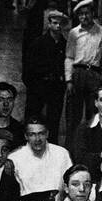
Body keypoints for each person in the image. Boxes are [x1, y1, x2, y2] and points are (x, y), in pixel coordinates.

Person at [23, 9, 68, 141]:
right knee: (33, 117)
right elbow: (29, 67)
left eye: (60, 24)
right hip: (39, 86)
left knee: (54, 120)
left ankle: (51, 145)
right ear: (49, 24)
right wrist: (32, 86)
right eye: (54, 23)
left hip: (56, 87)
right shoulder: (38, 43)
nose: (58, 26)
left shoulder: (64, 44)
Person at [64, 0, 102, 129]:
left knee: (93, 112)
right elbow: (69, 57)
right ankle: (71, 146)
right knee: (73, 114)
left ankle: (91, 145)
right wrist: (69, 80)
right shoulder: (74, 33)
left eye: (87, 13)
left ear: (92, 13)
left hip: (94, 74)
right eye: (81, 14)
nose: (84, 17)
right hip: (78, 73)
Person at [9, 118, 71, 198]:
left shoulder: (61, 154)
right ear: (26, 136)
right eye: (32, 134)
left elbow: (71, 185)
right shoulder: (14, 159)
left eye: (41, 133)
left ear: (47, 134)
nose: (37, 139)